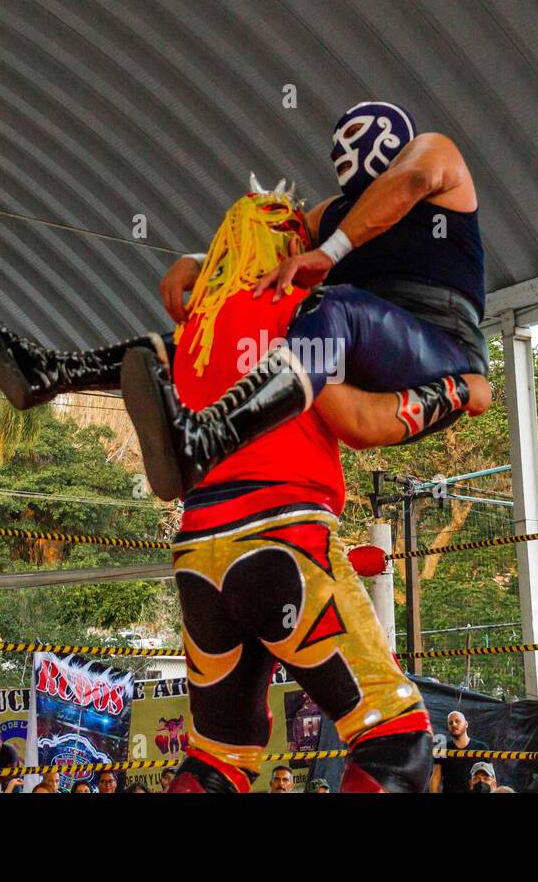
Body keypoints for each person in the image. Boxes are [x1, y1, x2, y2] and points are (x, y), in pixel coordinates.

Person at [0, 100, 493, 502]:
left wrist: (331, 251)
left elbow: (411, 181)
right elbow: (268, 246)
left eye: (358, 138)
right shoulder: (328, 215)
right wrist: (199, 261)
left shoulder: (435, 154)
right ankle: (54, 372)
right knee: (236, 325)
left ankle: (211, 437)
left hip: (439, 341)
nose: (345, 147)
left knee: (328, 306)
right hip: (357, 348)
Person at [143, 188, 436, 793]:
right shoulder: (313, 308)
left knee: (217, 759)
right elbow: (362, 423)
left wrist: (198, 262)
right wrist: (454, 392)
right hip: (288, 535)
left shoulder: (194, 329)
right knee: (397, 741)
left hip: (199, 556)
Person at [431, 710, 489, 794]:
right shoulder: (442, 749)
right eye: (450, 723)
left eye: (457, 721)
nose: (453, 724)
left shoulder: (481, 747)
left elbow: (491, 779)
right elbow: (435, 778)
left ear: (466, 724)